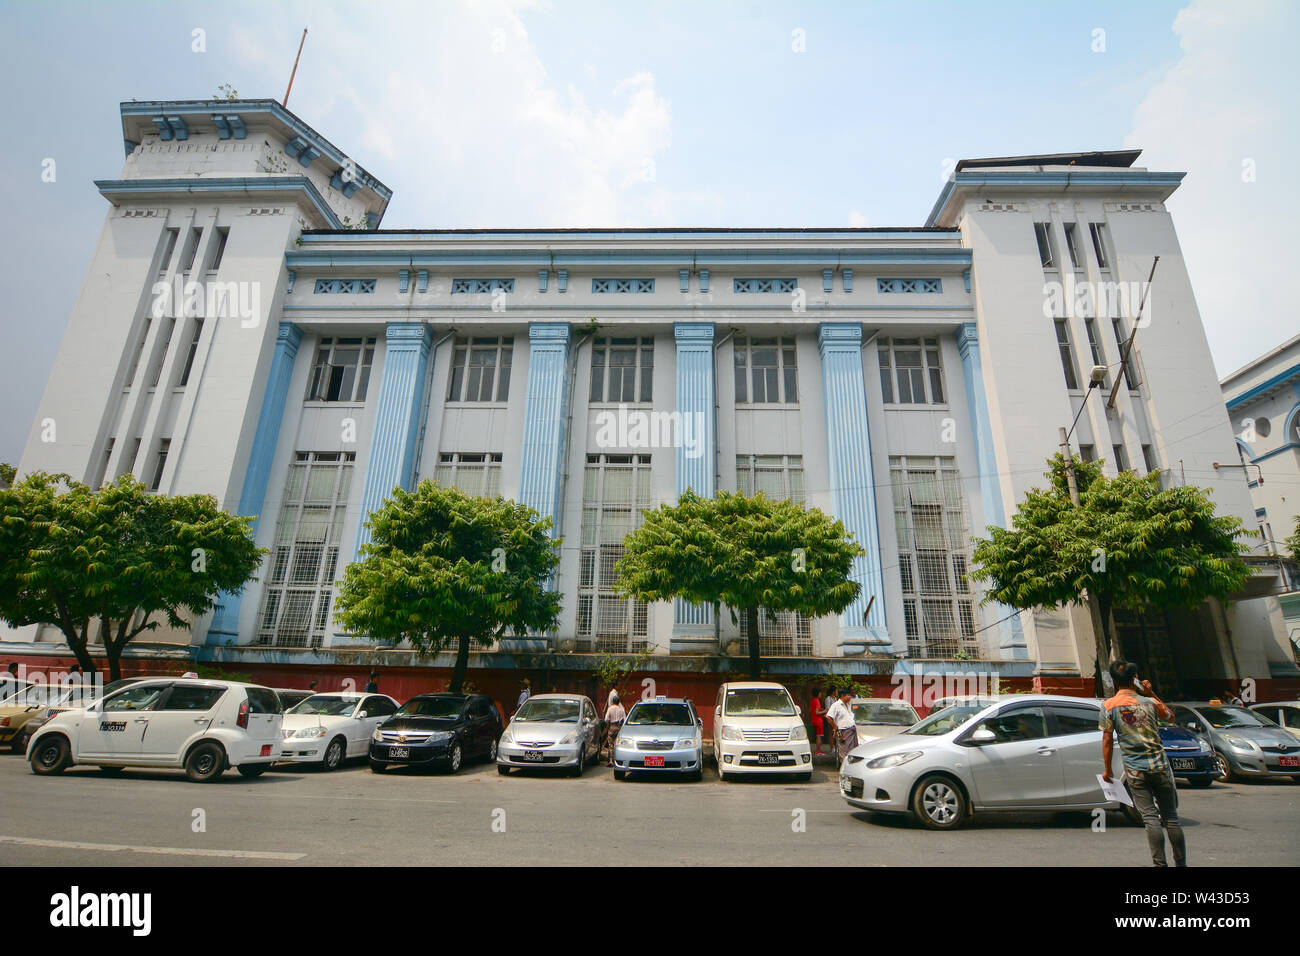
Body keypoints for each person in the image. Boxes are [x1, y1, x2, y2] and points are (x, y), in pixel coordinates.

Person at [1100, 660, 1186, 867]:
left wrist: (1108, 770)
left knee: (1150, 818)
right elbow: (1171, 717)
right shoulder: (1149, 703)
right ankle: (1181, 863)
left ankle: (1160, 864)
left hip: (1136, 770)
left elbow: (1107, 740)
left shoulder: (1109, 706)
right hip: (1160, 766)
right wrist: (1151, 693)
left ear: (1113, 681)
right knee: (1171, 818)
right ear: (1134, 679)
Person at [826, 688, 858, 765]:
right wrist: (835, 727)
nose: (850, 697)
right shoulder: (836, 705)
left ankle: (851, 768)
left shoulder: (847, 705)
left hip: (851, 730)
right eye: (848, 695)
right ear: (843, 695)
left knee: (853, 752)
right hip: (844, 731)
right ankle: (845, 769)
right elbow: (829, 717)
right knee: (845, 752)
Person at [602, 693, 626, 766]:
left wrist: (608, 724)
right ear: (619, 702)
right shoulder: (622, 709)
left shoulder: (610, 708)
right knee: (618, 744)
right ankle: (618, 760)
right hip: (619, 727)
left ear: (613, 701)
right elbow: (624, 719)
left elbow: (606, 719)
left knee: (611, 744)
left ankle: (611, 761)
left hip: (612, 727)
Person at [808, 685, 827, 756]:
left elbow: (813, 710)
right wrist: (824, 711)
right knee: (819, 736)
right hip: (818, 721)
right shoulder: (817, 701)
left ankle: (818, 750)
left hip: (814, 720)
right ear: (818, 693)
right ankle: (818, 751)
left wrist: (821, 710)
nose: (821, 694)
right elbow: (817, 712)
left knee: (817, 736)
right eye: (820, 693)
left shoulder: (813, 701)